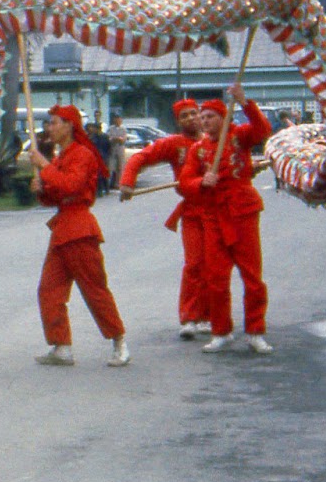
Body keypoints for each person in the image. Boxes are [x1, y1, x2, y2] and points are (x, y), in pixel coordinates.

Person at [29, 105, 129, 367]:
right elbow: (56, 195)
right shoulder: (63, 156)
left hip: (79, 229)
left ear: (69, 125)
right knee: (49, 290)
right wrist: (41, 189)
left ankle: (119, 341)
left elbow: (71, 186)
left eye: (53, 123)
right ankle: (61, 345)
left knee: (94, 288)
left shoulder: (82, 154)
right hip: (63, 229)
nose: (49, 128)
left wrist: (44, 167)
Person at [178, 85, 274, 354]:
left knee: (252, 276)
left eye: (210, 117)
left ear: (224, 118)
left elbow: (263, 130)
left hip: (242, 212)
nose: (204, 121)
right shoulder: (197, 150)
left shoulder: (238, 136)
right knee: (215, 278)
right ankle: (221, 331)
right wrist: (201, 181)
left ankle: (255, 331)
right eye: (202, 117)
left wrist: (245, 102)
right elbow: (185, 183)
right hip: (213, 216)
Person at [119, 99, 210, 339]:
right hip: (192, 211)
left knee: (215, 266)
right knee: (194, 264)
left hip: (218, 210)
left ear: (201, 116)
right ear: (178, 121)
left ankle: (209, 316)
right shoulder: (174, 144)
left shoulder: (214, 140)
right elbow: (139, 158)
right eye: (185, 116)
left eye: (194, 114)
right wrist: (127, 182)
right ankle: (190, 317)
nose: (191, 119)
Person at [106, 113, 128, 185]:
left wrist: (117, 139)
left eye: (119, 119)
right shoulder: (111, 128)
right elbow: (109, 138)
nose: (117, 120)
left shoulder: (123, 129)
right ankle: (108, 183)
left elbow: (123, 139)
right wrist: (116, 138)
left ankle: (118, 183)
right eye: (116, 119)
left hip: (120, 149)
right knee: (111, 167)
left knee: (120, 167)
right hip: (112, 149)